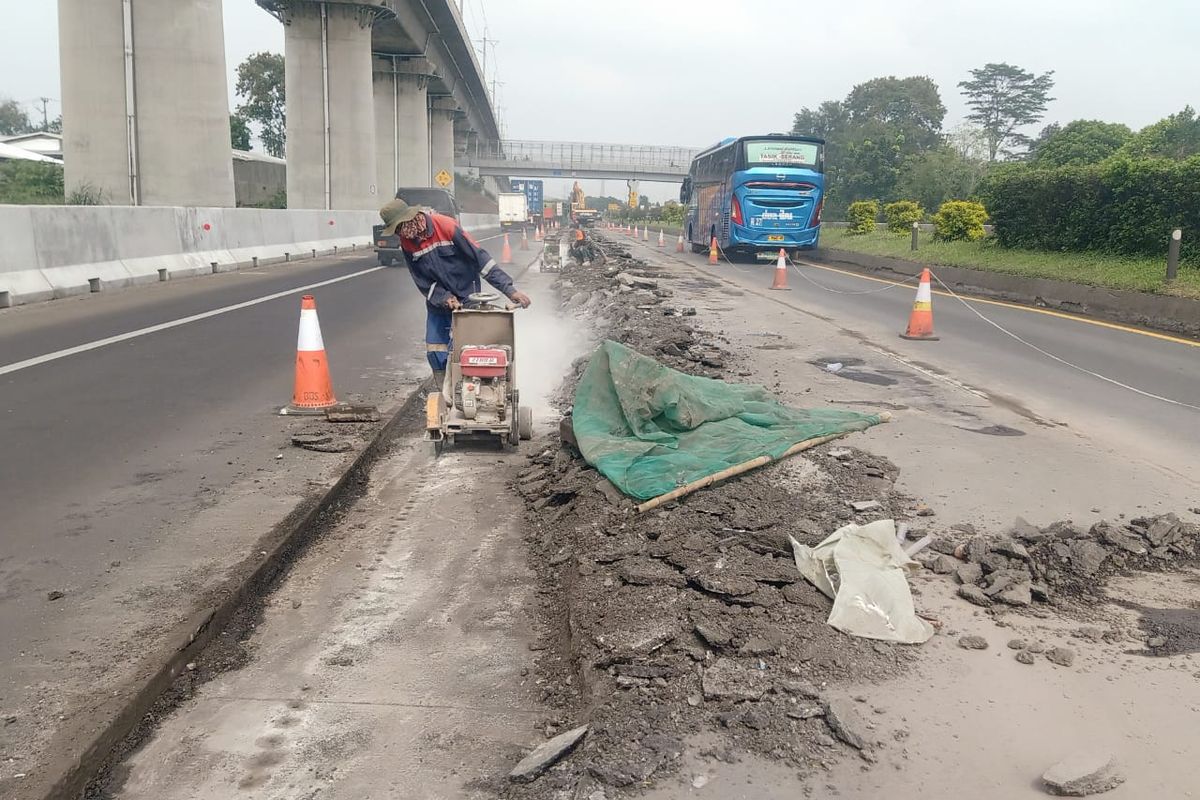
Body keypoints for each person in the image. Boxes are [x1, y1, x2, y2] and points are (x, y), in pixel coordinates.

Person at [378, 199, 532, 386]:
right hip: (438, 302)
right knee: (436, 350)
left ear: (410, 218)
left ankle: (476, 389)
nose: (399, 234)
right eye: (395, 231)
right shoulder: (407, 242)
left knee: (468, 350)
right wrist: (444, 298)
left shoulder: (447, 226)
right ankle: (446, 393)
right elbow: (421, 280)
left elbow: (481, 260)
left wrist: (509, 290)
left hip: (468, 296)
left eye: (399, 228)